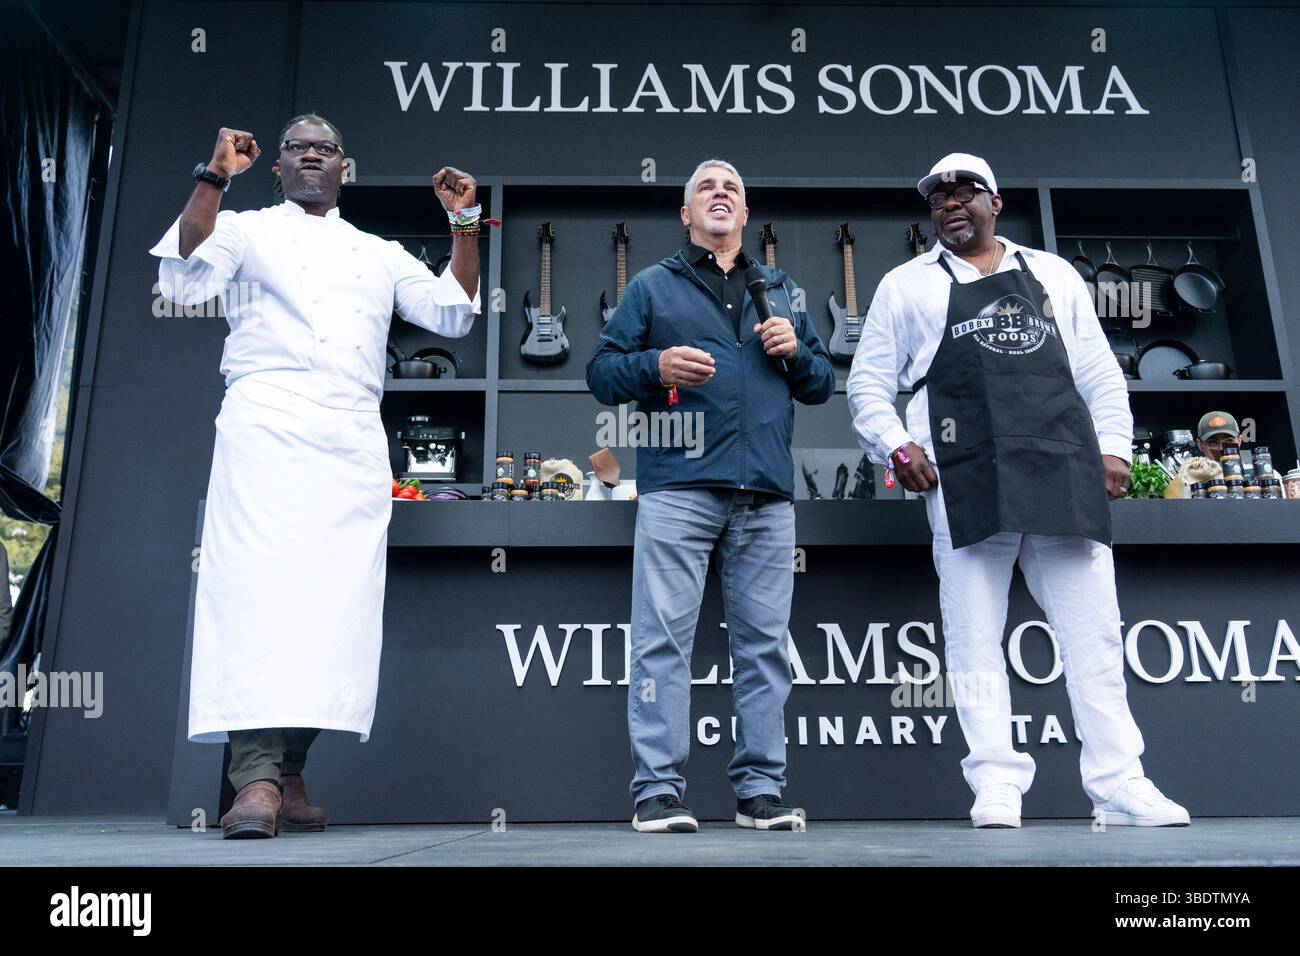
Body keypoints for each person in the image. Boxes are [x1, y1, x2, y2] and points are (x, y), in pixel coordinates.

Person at [150, 115, 480, 838]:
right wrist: (214, 175)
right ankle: (256, 782)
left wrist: (466, 222)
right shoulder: (245, 227)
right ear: (276, 167)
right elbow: (179, 275)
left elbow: (452, 314)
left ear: (344, 166)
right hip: (266, 423)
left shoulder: (376, 251)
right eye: (295, 147)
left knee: (335, 611)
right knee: (260, 600)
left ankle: (291, 769)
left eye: (323, 148)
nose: (309, 156)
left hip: (351, 435)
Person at [847, 152, 1189, 829]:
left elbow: (1097, 373)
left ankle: (1120, 783)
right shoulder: (903, 285)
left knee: (1092, 635)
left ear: (995, 203)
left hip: (1063, 467)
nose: (950, 204)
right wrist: (897, 447)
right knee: (974, 638)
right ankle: (997, 780)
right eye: (938, 197)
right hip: (964, 473)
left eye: (964, 192)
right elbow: (866, 385)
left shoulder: (1053, 274)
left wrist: (1114, 448)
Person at [587, 159, 834, 832]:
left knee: (764, 648)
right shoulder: (650, 287)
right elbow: (602, 373)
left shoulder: (781, 290)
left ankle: (760, 791)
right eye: (707, 189)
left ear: (745, 216)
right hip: (679, 491)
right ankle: (657, 793)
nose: (720, 196)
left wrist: (798, 354)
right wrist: (654, 366)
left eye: (732, 190)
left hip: (767, 498)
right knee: (662, 644)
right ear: (686, 215)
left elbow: (820, 386)